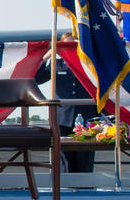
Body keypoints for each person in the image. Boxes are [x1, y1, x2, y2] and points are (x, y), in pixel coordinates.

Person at [33, 35, 97, 174]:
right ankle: (65, 191)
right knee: (64, 161)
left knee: (84, 161)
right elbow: (34, 77)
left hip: (86, 119)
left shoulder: (89, 64)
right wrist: (49, 54)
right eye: (65, 45)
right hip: (62, 120)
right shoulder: (56, 64)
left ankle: (85, 190)